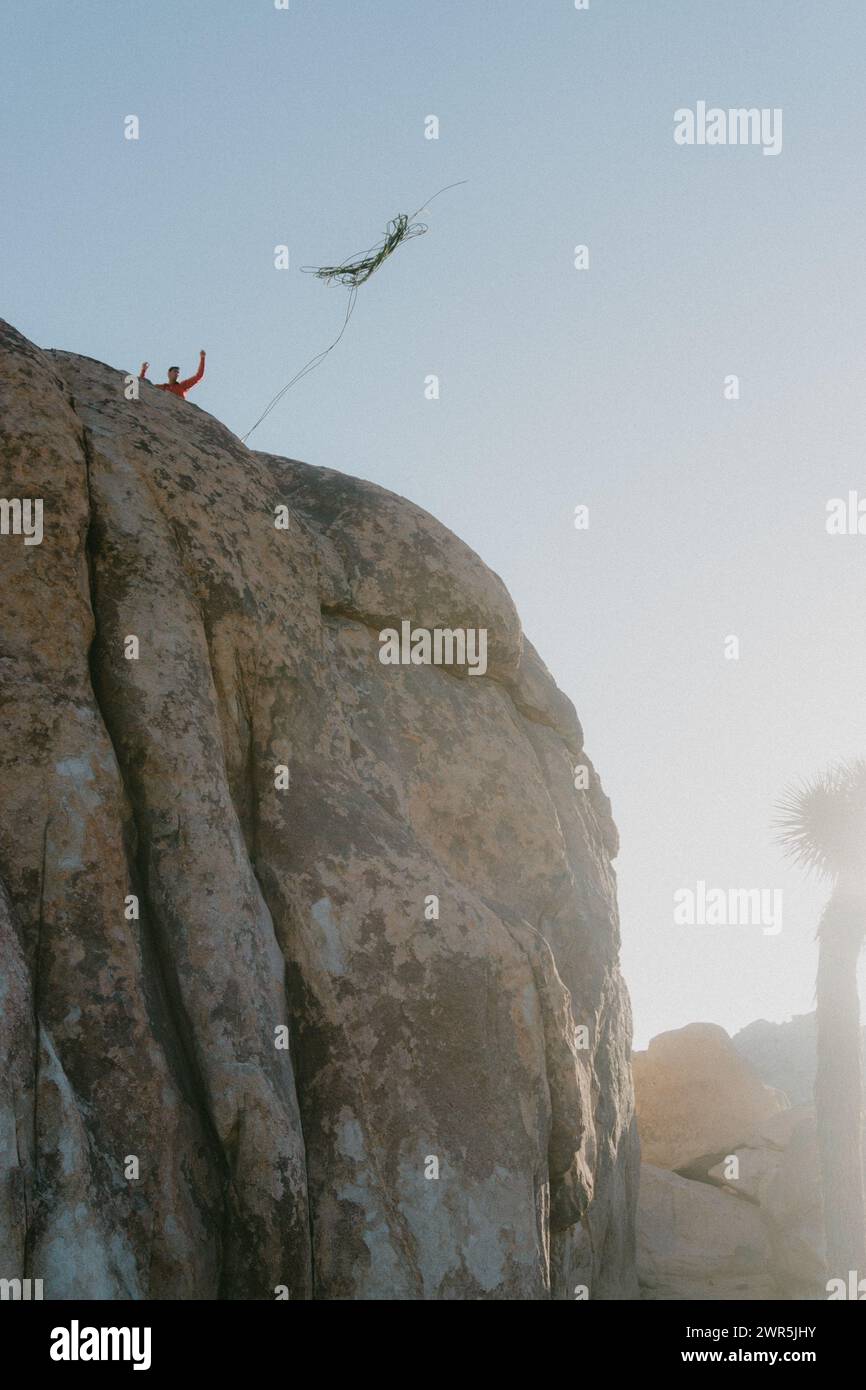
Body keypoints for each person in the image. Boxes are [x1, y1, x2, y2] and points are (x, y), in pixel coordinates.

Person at [139, 351, 206, 398]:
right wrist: (143, 370)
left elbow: (198, 376)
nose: (177, 374)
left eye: (178, 373)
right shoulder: (162, 387)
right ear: (169, 373)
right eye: (175, 371)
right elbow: (145, 386)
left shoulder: (182, 386)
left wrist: (202, 358)